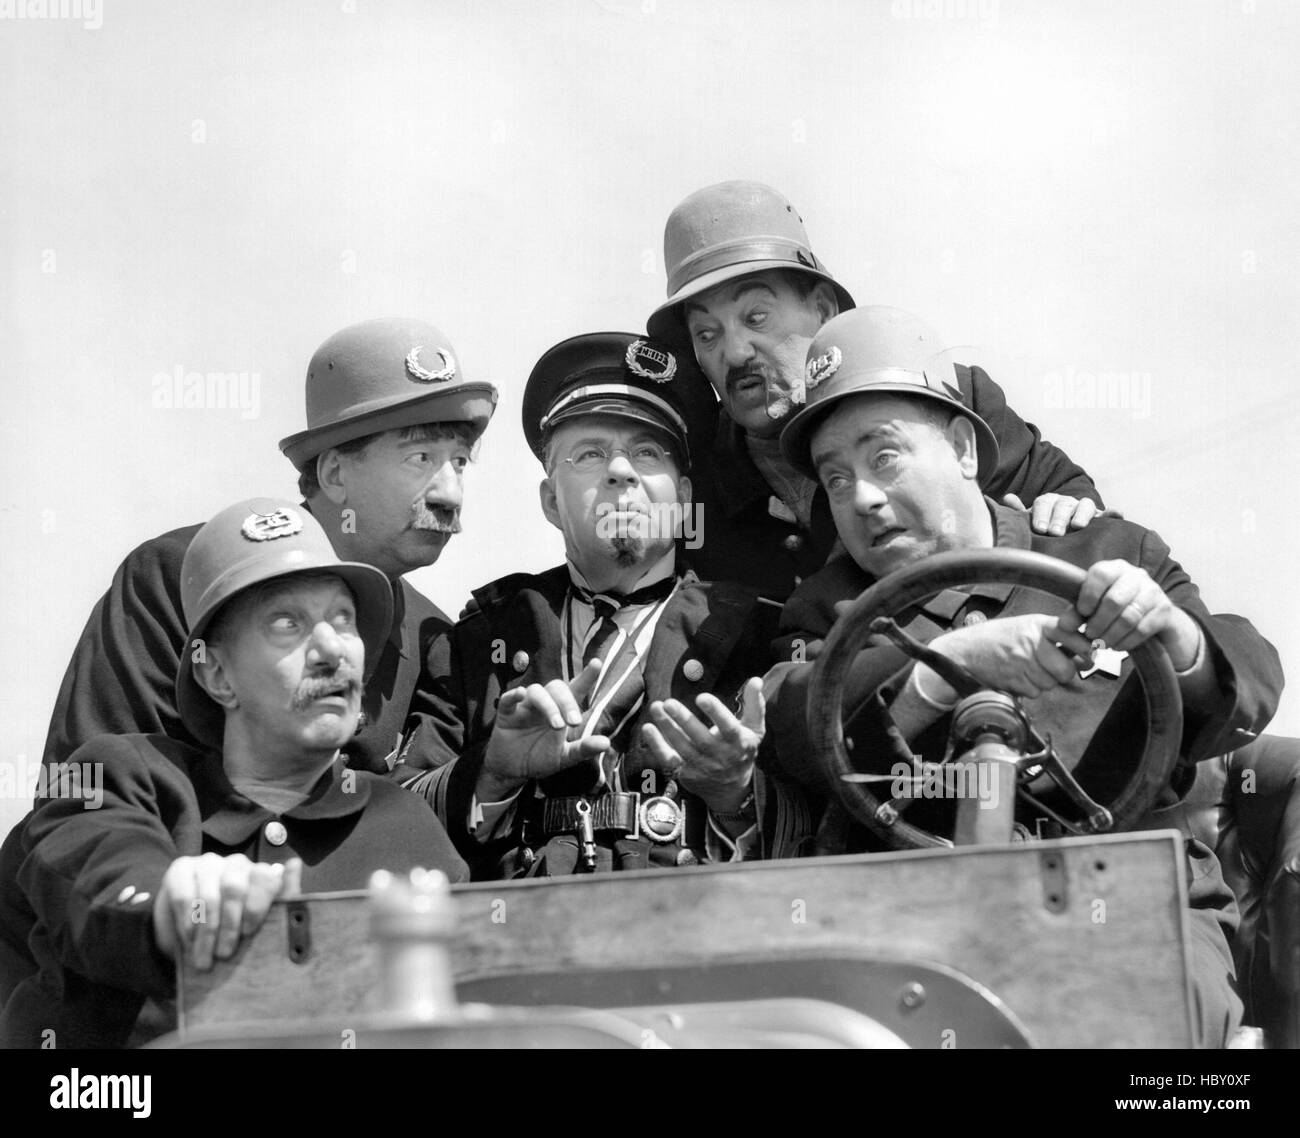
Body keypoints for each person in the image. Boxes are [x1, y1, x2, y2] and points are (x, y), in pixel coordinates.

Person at [763, 305, 1284, 1047]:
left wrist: (1172, 633)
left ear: (966, 453)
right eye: (835, 478)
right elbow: (793, 727)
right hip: (912, 927)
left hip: (1128, 900)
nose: (864, 498)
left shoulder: (1102, 548)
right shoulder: (826, 609)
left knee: (1154, 1036)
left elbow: (1246, 683)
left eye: (884, 457)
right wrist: (952, 671)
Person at [0, 499, 468, 1048]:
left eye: (343, 619)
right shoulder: (118, 777)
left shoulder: (406, 829)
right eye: (287, 624)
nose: (330, 650)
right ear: (217, 673)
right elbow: (96, 873)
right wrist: (170, 902)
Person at [397, 333, 813, 878]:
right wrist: (492, 773)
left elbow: (831, 837)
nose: (621, 471)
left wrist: (736, 793)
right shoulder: (479, 638)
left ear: (684, 496)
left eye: (646, 452)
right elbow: (394, 830)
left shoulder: (761, 634)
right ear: (551, 500)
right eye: (590, 453)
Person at [42, 318, 498, 775]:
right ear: (335, 474)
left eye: (458, 462)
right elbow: (88, 796)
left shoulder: (434, 641)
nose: (450, 494)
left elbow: (410, 830)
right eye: (420, 458)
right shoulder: (180, 577)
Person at [646, 180, 1105, 604]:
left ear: (823, 310)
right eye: (706, 334)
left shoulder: (934, 400)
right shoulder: (691, 487)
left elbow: (1071, 504)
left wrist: (1065, 512)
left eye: (756, 317)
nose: (735, 351)